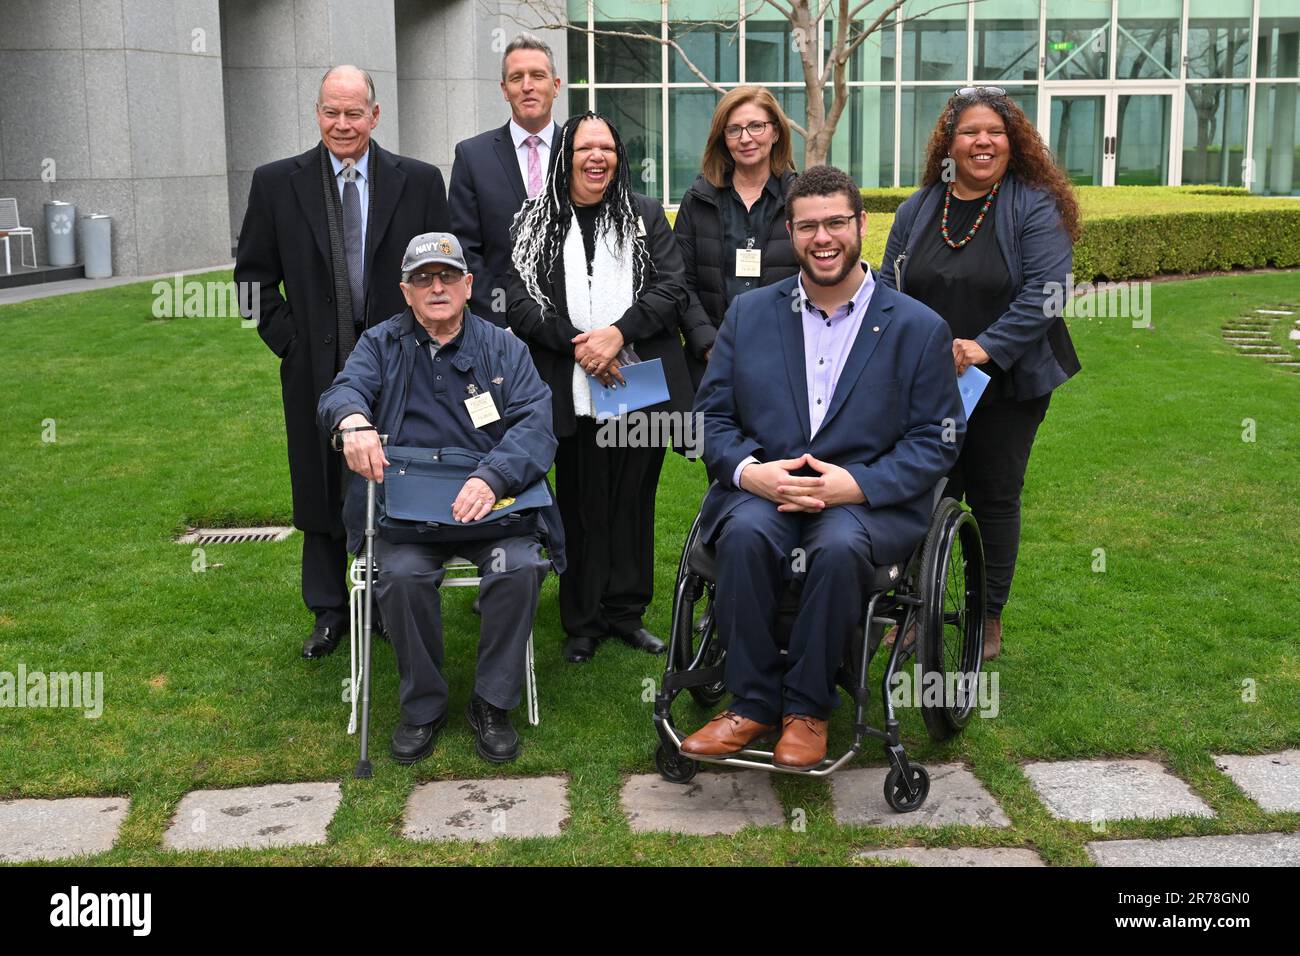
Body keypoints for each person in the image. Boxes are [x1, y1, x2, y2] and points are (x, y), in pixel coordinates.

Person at [680, 166, 964, 770]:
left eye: (836, 222)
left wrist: (856, 484)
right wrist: (748, 472)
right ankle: (751, 702)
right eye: (807, 226)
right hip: (767, 486)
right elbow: (710, 421)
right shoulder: (749, 316)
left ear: (862, 224)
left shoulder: (919, 328)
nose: (823, 237)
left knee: (836, 549)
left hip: (863, 500)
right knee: (749, 535)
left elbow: (937, 440)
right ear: (791, 232)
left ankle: (808, 710)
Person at [317, 232, 561, 765]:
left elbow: (537, 425)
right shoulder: (379, 343)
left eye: (448, 276)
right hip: (406, 515)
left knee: (519, 566)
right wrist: (353, 421)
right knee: (400, 576)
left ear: (468, 285)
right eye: (423, 278)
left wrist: (493, 477)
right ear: (405, 291)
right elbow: (342, 390)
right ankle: (423, 706)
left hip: (492, 510)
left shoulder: (504, 346)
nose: (437, 286)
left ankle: (491, 703)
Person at [236, 65, 450, 660]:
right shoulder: (277, 183)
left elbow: (443, 273)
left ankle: (389, 600)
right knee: (320, 485)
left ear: (375, 116)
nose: (342, 124)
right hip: (314, 370)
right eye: (331, 111)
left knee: (395, 477)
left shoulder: (420, 181)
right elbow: (253, 281)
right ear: (317, 113)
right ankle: (329, 611)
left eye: (354, 113)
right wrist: (293, 345)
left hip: (402, 366)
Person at [880, 86, 1081, 661]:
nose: (982, 142)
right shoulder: (919, 208)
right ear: (950, 142)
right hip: (930, 382)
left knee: (994, 498)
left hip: (1007, 384)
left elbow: (1046, 294)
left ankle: (988, 618)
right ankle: (916, 609)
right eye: (969, 132)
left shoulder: (1034, 204)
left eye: (994, 131)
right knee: (923, 491)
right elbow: (893, 287)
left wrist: (981, 348)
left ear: (1012, 141)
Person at [505, 112, 693, 664]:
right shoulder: (532, 222)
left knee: (632, 500)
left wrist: (616, 335)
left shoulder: (645, 216)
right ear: (565, 157)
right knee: (582, 504)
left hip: (637, 379)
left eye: (607, 148)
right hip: (569, 385)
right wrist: (577, 345)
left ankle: (626, 612)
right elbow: (519, 303)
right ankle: (583, 621)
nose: (597, 158)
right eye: (585, 148)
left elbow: (672, 287)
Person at [674, 86, 799, 388]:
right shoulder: (698, 199)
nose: (745, 138)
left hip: (782, 365)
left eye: (756, 126)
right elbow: (679, 282)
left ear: (776, 133)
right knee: (702, 437)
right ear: (723, 138)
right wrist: (708, 345)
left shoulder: (800, 199)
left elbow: (814, 280)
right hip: (709, 366)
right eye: (734, 130)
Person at [449, 33, 563, 326]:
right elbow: (466, 249)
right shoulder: (472, 156)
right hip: (502, 328)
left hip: (576, 328)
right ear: (504, 89)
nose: (527, 86)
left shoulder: (580, 151)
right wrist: (499, 321)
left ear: (556, 85)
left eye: (538, 76)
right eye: (516, 78)